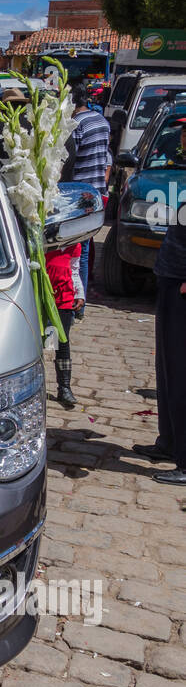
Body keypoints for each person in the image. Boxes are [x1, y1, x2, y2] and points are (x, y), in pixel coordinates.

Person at [132, 206, 186, 485]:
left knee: (181, 374)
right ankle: (169, 442)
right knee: (167, 369)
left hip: (181, 283)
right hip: (172, 276)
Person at [66, 84, 111, 308]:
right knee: (85, 248)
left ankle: (77, 303)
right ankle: (80, 301)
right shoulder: (102, 122)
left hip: (79, 192)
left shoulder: (76, 125)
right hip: (97, 191)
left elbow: (69, 158)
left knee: (77, 251)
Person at [45, 240, 84, 408]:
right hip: (42, 296)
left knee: (62, 341)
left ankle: (64, 388)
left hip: (64, 298)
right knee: (43, 341)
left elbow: (74, 270)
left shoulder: (74, 245)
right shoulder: (42, 241)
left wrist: (79, 293)